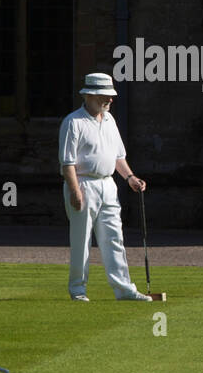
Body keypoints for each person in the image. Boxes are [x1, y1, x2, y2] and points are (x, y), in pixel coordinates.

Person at [59, 72, 152, 301]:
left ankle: (124, 289)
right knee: (81, 241)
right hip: (83, 184)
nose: (110, 99)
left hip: (108, 184)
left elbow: (118, 156)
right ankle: (78, 290)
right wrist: (75, 191)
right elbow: (67, 163)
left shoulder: (110, 121)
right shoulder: (73, 122)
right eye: (105, 96)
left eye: (111, 95)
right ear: (90, 95)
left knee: (114, 238)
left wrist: (130, 177)